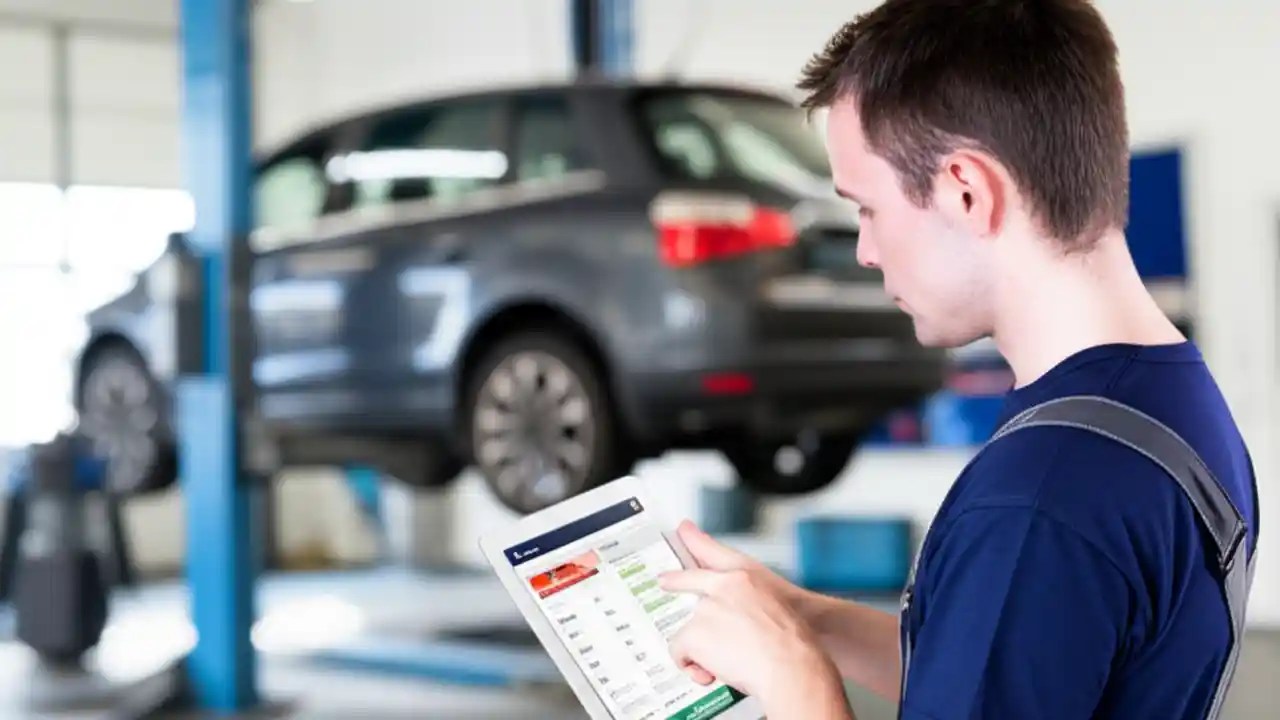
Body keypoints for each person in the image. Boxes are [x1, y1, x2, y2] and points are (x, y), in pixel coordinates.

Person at [658, 1, 1260, 718]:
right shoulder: (1167, 406)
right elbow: (1007, 668)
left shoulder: (1039, 498)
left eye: (868, 208)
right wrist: (801, 619)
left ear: (967, 193)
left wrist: (797, 682)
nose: (865, 249)